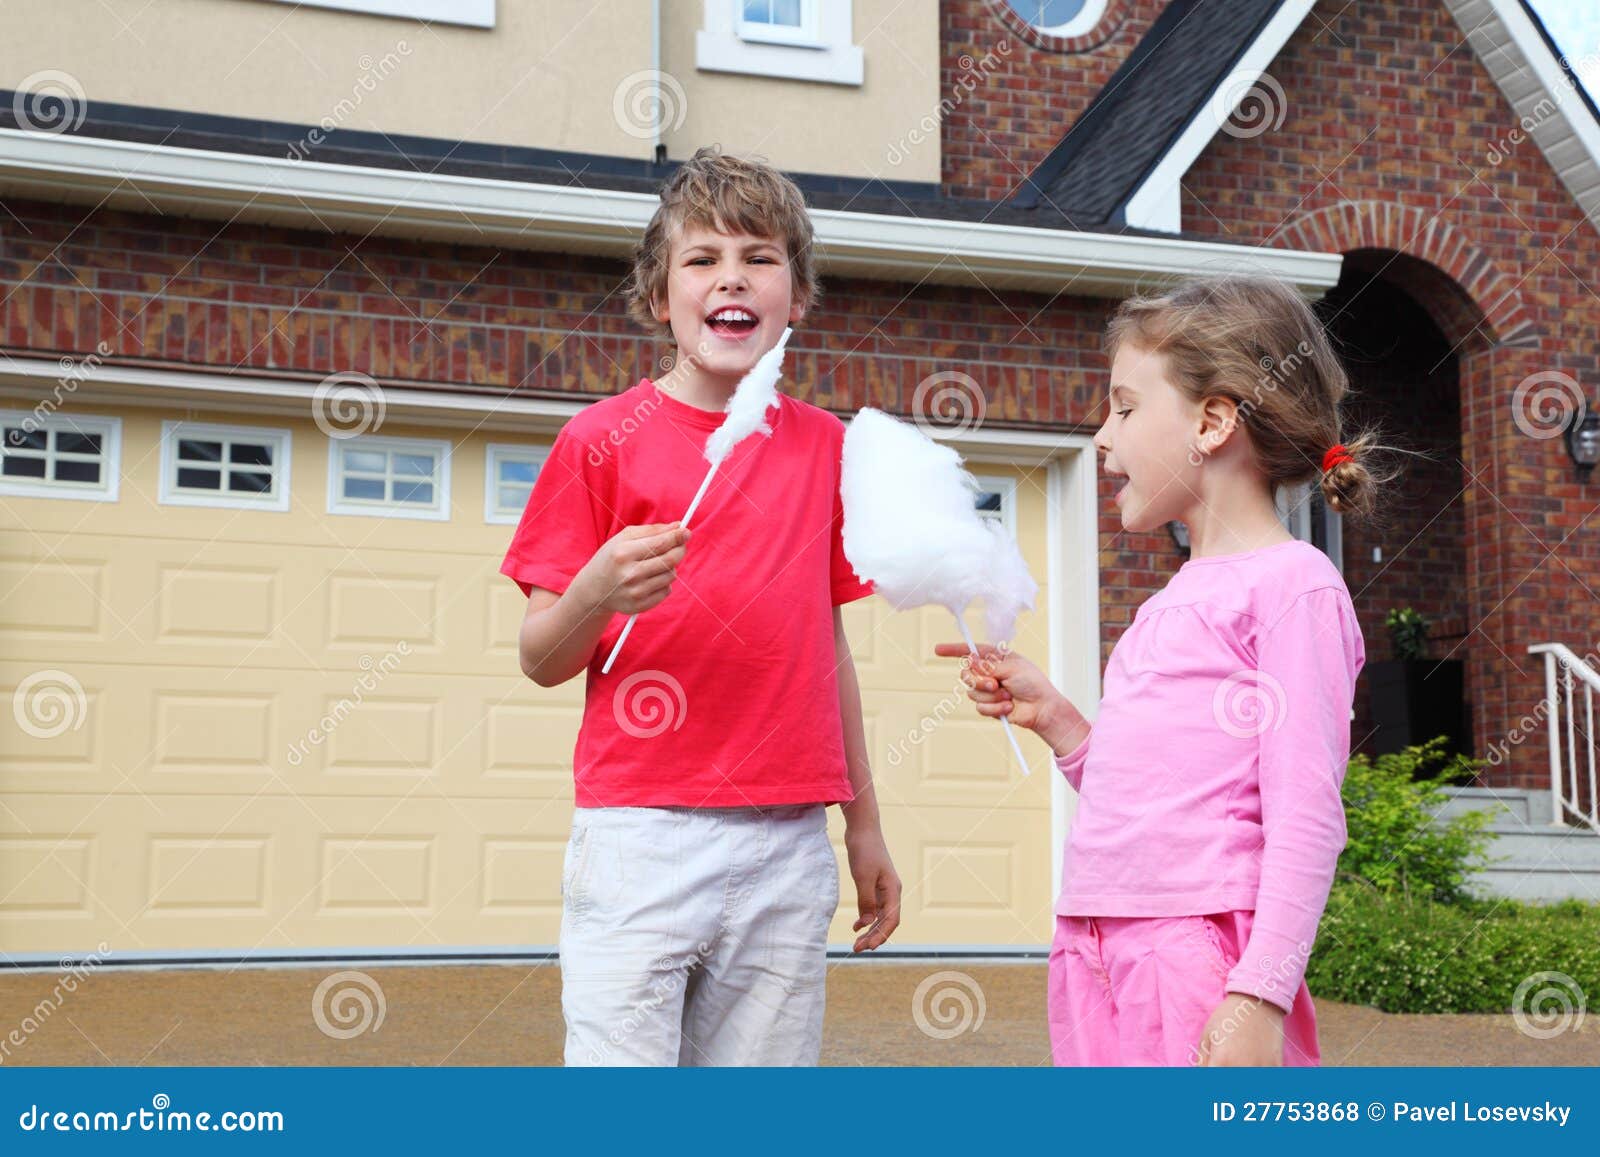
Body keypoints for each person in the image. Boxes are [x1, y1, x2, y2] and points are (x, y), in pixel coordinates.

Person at [501, 145, 900, 1067]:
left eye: (761, 258)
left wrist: (864, 823)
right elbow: (540, 656)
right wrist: (597, 591)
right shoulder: (600, 441)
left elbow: (826, 646)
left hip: (788, 839)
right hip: (641, 836)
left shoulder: (826, 447)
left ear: (796, 298)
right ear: (659, 298)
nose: (733, 277)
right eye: (703, 259)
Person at [938, 275, 1389, 1066]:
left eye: (1125, 405)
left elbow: (1306, 817)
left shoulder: (1293, 588)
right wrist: (1062, 722)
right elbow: (1151, 796)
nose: (1103, 436)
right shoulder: (1168, 602)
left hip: (1196, 954)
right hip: (1094, 944)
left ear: (1213, 422)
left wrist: (1259, 993)